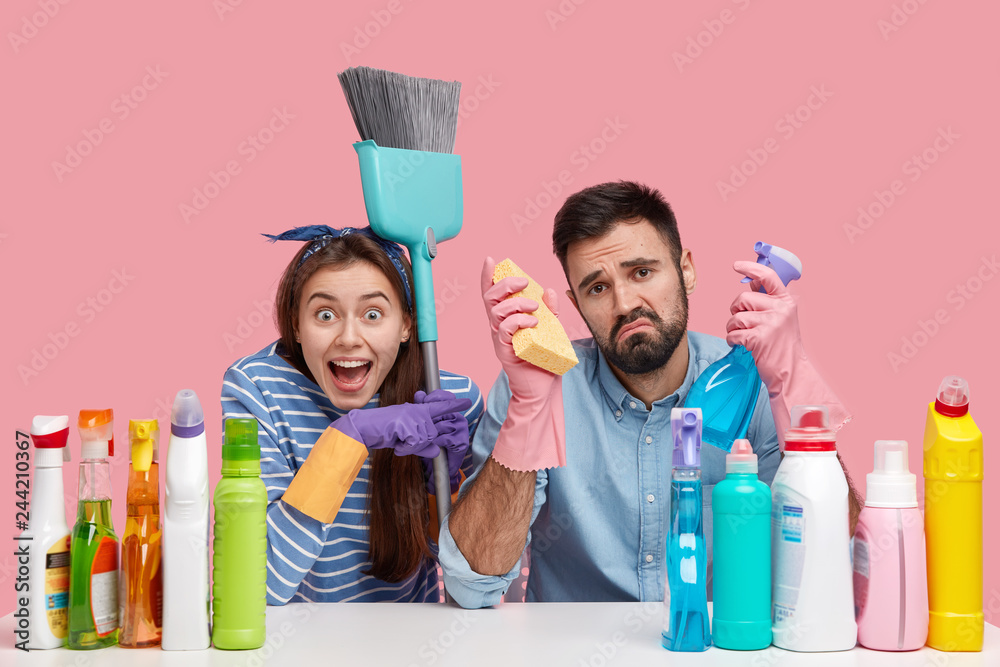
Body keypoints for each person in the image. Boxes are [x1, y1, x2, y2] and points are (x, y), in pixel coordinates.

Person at [439, 181, 855, 607]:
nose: (624, 303)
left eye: (642, 272)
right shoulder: (537, 386)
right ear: (575, 303)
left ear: (686, 269)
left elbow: (834, 562)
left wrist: (794, 387)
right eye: (597, 288)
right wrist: (527, 414)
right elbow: (473, 586)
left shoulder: (757, 385)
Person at [222, 225, 483, 604]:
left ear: (407, 325)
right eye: (325, 315)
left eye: (373, 314)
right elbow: (255, 588)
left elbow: (477, 582)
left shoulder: (448, 404)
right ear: (295, 323)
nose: (348, 337)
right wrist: (347, 438)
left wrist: (444, 490)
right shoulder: (258, 390)